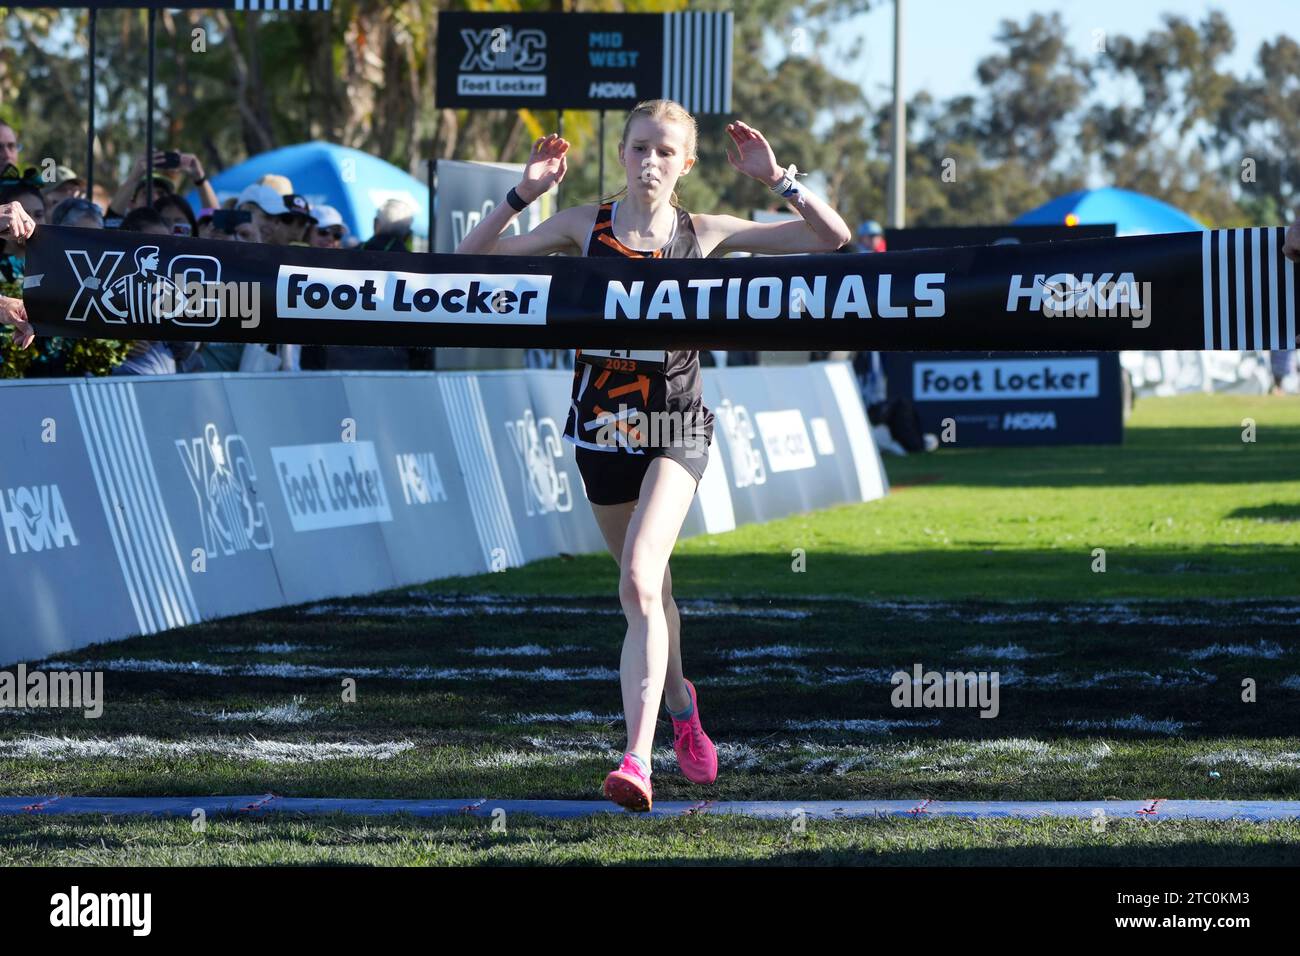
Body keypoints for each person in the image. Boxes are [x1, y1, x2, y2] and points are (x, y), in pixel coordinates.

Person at [455, 99, 851, 811]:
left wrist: (777, 177)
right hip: (602, 435)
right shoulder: (585, 224)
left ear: (686, 164)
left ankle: (635, 760)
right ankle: (681, 703)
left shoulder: (704, 233)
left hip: (676, 428)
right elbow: (468, 262)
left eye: (666, 152)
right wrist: (525, 192)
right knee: (653, 595)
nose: (650, 163)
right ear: (622, 155)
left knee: (638, 582)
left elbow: (833, 239)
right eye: (639, 149)